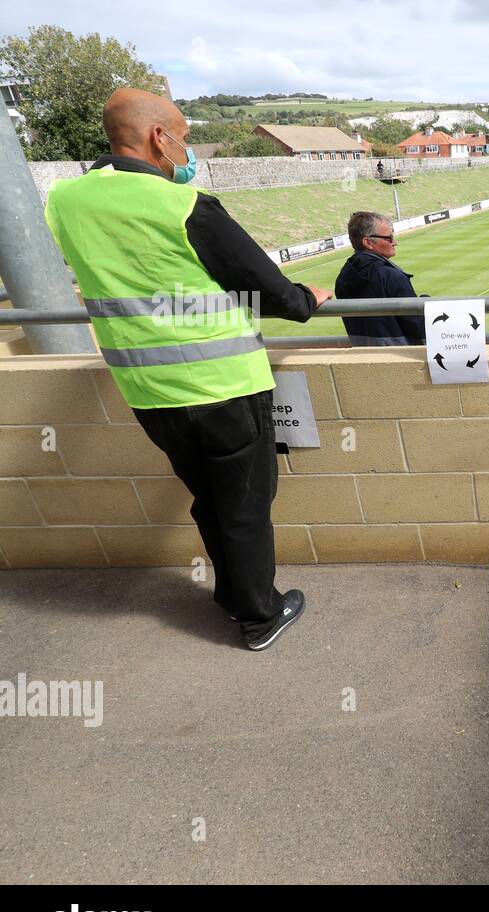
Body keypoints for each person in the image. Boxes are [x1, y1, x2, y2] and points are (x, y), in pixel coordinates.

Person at [44, 88, 330, 651]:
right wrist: (305, 299)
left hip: (149, 392)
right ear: (159, 138)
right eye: (184, 137)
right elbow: (266, 289)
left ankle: (231, 595)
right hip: (225, 388)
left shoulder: (65, 200)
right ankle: (259, 616)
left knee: (207, 497)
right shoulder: (183, 205)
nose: (187, 149)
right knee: (246, 504)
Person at [333, 211, 426, 345]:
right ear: (368, 243)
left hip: (365, 355)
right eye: (388, 238)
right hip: (400, 357)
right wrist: (424, 304)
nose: (394, 242)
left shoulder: (343, 276)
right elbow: (416, 325)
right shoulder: (390, 276)